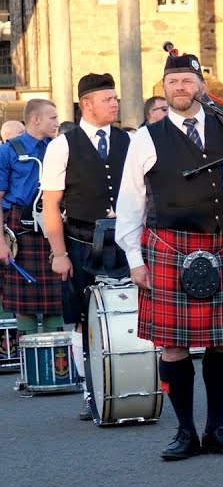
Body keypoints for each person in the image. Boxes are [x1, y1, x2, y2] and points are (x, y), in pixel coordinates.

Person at [116, 53, 223, 461]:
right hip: (168, 248)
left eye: (187, 80)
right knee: (172, 345)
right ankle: (185, 431)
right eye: (172, 81)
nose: (180, 87)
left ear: (201, 86)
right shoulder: (146, 137)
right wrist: (134, 258)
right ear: (163, 87)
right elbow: (130, 201)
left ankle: (217, 427)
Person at [41, 78, 133, 421]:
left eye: (116, 98)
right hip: (80, 241)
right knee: (82, 319)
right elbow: (51, 205)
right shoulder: (63, 145)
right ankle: (90, 391)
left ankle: (127, 385)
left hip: (123, 243)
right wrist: (59, 252)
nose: (115, 103)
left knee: (131, 313)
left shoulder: (130, 140)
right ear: (87, 103)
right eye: (108, 99)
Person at [0, 98, 64, 391]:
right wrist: (1, 241)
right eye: (52, 117)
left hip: (52, 226)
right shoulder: (8, 151)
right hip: (20, 228)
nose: (56, 122)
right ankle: (29, 374)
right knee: (24, 305)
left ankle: (56, 371)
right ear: (35, 120)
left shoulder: (57, 148)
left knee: (55, 299)